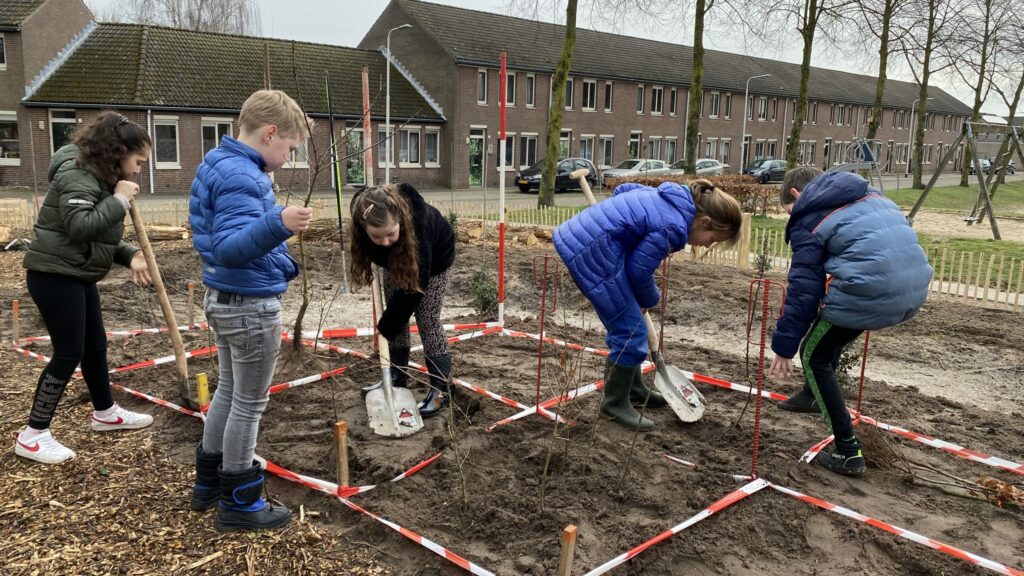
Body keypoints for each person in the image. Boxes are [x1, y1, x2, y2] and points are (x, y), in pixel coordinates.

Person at [189, 89, 313, 531]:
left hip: (225, 298)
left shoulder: (219, 163)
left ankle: (208, 484)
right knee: (249, 402)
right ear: (270, 132)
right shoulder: (244, 177)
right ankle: (239, 502)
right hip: (249, 304)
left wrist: (277, 249)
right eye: (290, 149)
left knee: (228, 391)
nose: (289, 158)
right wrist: (278, 223)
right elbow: (230, 247)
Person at [768, 167, 932, 477]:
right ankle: (811, 395)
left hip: (871, 290)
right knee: (830, 327)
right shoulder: (871, 196)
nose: (792, 216)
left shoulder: (809, 217)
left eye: (789, 211)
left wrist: (785, 345)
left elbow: (804, 288)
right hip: (912, 287)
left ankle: (848, 452)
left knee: (813, 355)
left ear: (795, 195)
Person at [14, 112, 155, 465]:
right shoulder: (77, 175)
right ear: (118, 151)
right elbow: (79, 226)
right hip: (54, 277)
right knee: (68, 353)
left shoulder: (100, 179)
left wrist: (129, 256)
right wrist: (119, 200)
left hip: (75, 273)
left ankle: (105, 412)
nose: (137, 170)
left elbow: (95, 236)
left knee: (94, 345)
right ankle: (33, 435)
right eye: (137, 161)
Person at [553, 180, 743, 430]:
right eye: (712, 239)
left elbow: (623, 190)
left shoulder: (667, 196)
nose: (707, 245)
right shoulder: (674, 228)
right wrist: (649, 299)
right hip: (594, 253)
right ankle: (614, 404)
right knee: (630, 331)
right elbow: (638, 272)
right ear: (704, 221)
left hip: (590, 240)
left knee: (630, 328)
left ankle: (633, 389)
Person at [349, 183, 474, 419]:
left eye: (390, 234)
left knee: (426, 319)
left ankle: (442, 388)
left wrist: (387, 324)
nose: (385, 241)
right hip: (394, 261)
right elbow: (397, 311)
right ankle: (396, 376)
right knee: (395, 317)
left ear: (400, 222)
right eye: (377, 236)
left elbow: (415, 291)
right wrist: (391, 321)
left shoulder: (418, 227)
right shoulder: (363, 215)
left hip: (433, 261)